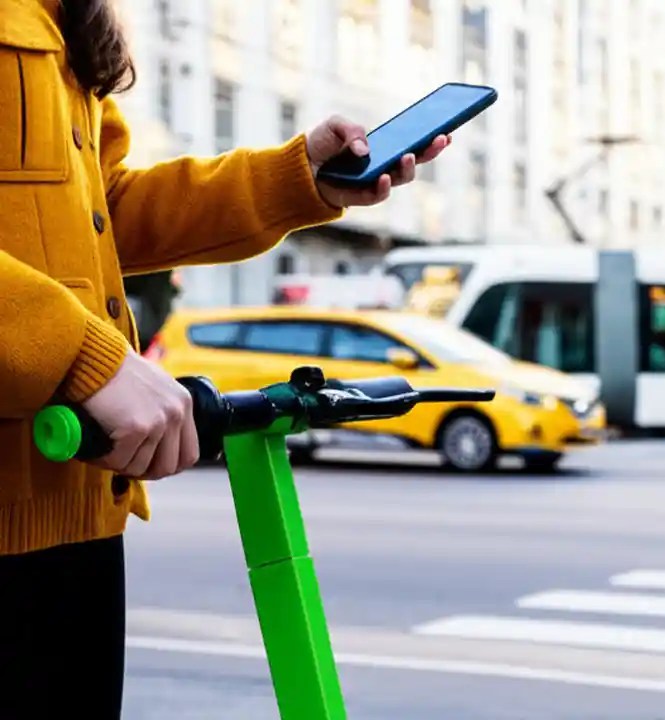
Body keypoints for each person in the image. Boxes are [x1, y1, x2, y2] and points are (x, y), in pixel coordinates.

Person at [0, 1, 449, 716]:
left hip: (70, 503)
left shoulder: (60, 13)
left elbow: (100, 210)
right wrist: (84, 357)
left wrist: (296, 180)